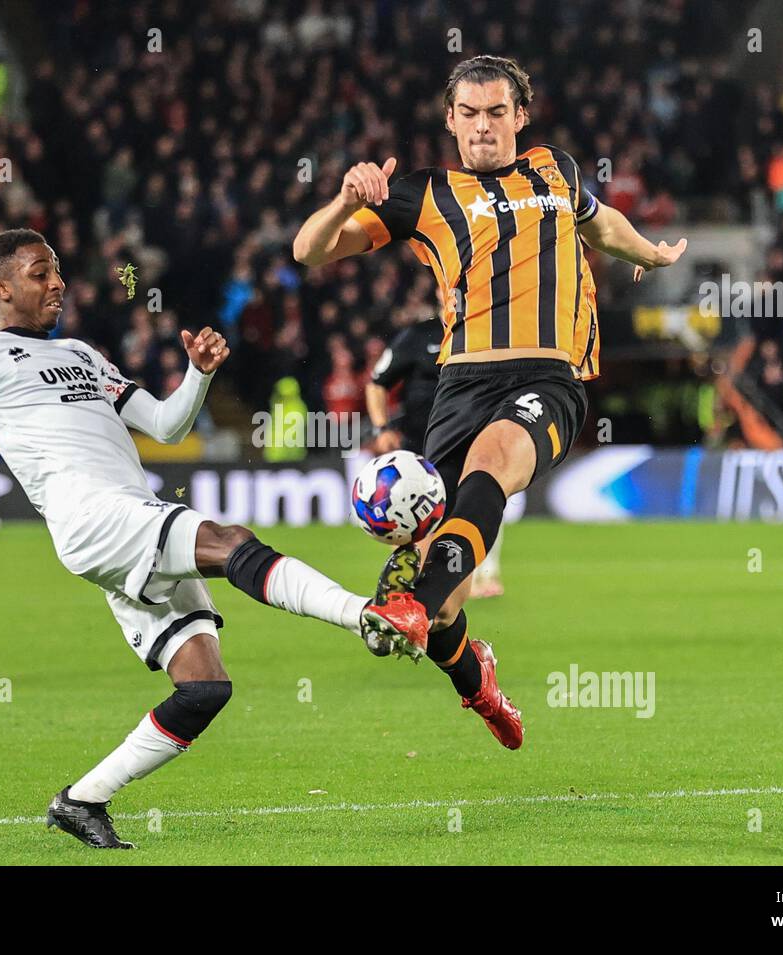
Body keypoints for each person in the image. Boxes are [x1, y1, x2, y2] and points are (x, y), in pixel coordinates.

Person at [0, 230, 382, 849]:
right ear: (0, 287)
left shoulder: (84, 355)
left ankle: (81, 799)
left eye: (58, 270)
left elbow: (166, 427)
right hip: (90, 517)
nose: (57, 282)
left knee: (204, 689)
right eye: (40, 273)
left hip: (130, 514)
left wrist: (197, 377)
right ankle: (369, 617)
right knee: (228, 539)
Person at [293, 55, 687, 748]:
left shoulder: (554, 169)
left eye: (496, 112)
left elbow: (601, 224)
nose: (482, 127)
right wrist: (345, 200)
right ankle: (474, 674)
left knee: (492, 466)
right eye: (468, 114)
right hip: (461, 382)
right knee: (451, 600)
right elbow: (310, 251)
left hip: (548, 377)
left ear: (519, 115)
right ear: (450, 120)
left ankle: (412, 598)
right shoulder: (421, 193)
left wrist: (650, 253)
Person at [367, 311, 506, 598]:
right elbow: (377, 382)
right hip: (418, 448)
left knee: (481, 500)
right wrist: (381, 428)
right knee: (411, 513)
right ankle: (406, 579)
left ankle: (484, 575)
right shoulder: (418, 336)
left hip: (469, 441)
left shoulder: (489, 331)